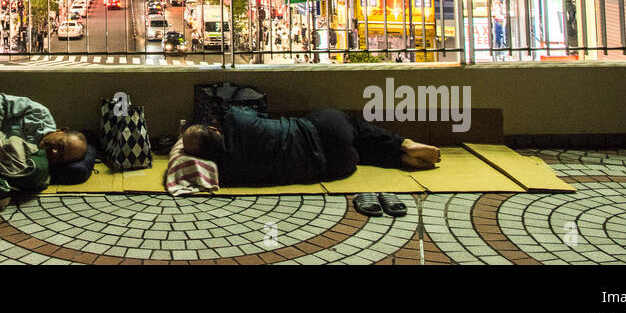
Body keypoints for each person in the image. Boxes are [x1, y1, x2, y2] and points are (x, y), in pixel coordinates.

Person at [180, 106, 439, 197]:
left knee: (357, 150)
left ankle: (400, 159)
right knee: (353, 127)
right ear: (214, 131)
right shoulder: (235, 119)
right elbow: (258, 113)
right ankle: (403, 144)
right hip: (318, 130)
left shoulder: (229, 173)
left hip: (334, 167)